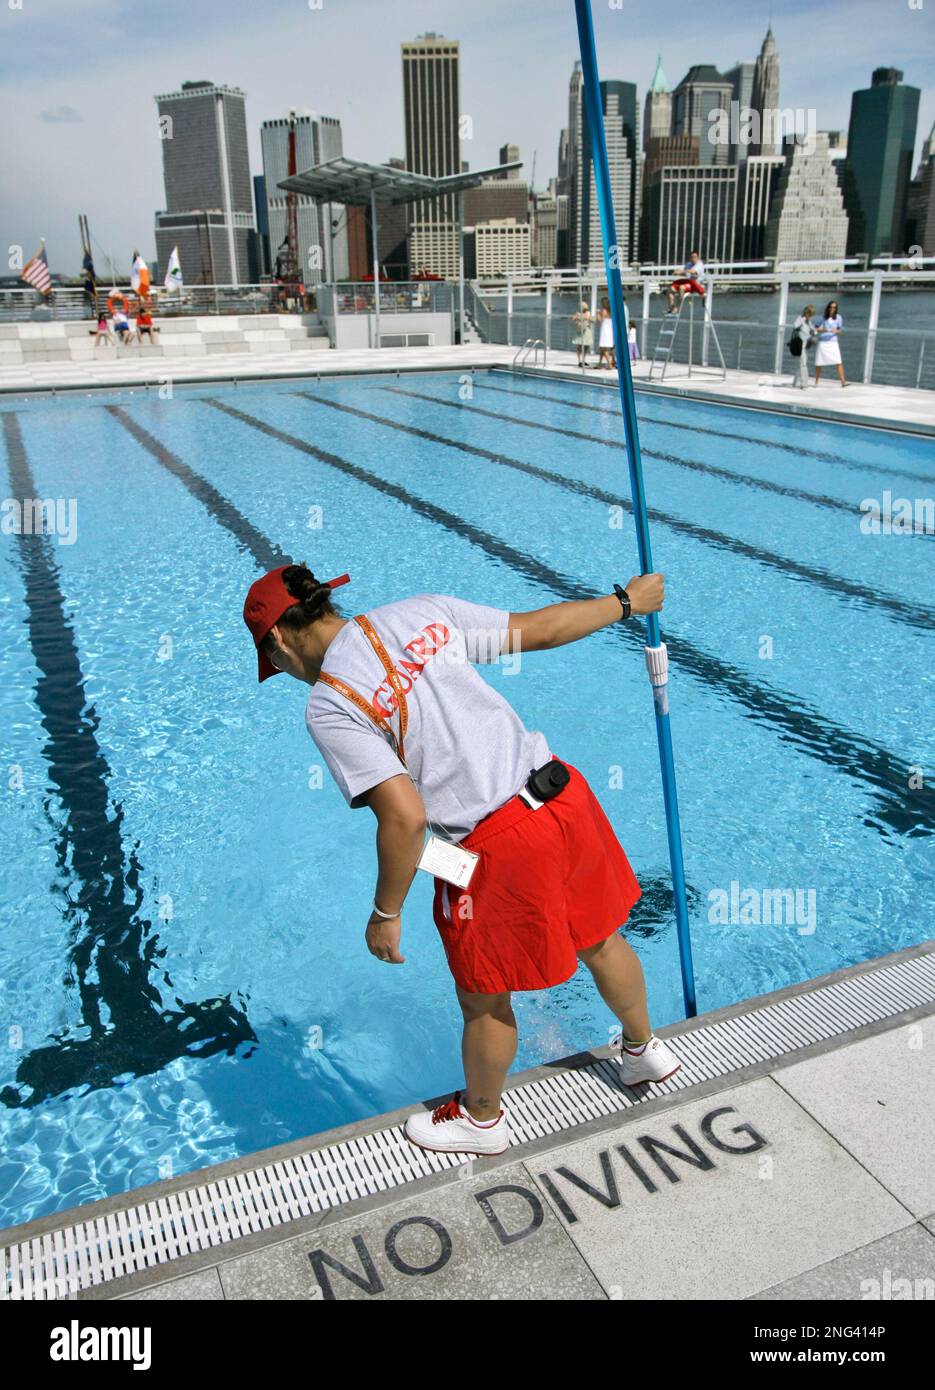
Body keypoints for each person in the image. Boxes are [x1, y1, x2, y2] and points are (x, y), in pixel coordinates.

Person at [242, 565, 683, 1157]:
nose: (291, 677)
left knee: (482, 995)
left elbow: (404, 818)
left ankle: (481, 1121)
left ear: (278, 640)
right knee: (601, 938)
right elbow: (546, 629)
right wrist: (627, 603)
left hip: (498, 840)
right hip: (562, 797)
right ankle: (642, 1051)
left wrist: (385, 913)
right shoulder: (420, 610)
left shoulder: (330, 703)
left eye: (279, 666)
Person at [813, 299, 848, 387]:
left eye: (834, 307)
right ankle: (816, 381)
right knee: (819, 362)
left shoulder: (839, 318)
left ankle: (843, 382)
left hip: (833, 342)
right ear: (828, 308)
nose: (833, 309)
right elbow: (815, 328)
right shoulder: (822, 318)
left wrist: (836, 331)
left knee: (838, 361)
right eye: (831, 307)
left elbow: (841, 330)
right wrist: (822, 330)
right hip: (823, 342)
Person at [789, 304, 815, 389]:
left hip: (806, 344)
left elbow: (813, 330)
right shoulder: (800, 318)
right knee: (803, 364)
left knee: (802, 363)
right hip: (800, 344)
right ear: (806, 312)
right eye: (809, 314)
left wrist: (814, 331)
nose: (810, 316)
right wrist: (804, 319)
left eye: (811, 315)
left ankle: (795, 383)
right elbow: (795, 325)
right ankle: (804, 384)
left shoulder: (809, 321)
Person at [571, 302, 593, 367]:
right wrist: (580, 318)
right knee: (579, 346)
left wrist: (590, 318)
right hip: (580, 331)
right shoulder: (578, 313)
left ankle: (583, 360)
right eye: (584, 306)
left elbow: (592, 320)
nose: (585, 308)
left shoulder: (588, 313)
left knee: (586, 345)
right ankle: (579, 360)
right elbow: (573, 318)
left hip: (586, 330)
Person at [597, 298, 614, 368]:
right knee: (602, 347)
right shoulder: (611, 311)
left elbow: (600, 320)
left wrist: (597, 314)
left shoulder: (604, 311)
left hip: (605, 329)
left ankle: (609, 364)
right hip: (610, 329)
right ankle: (600, 363)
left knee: (603, 348)